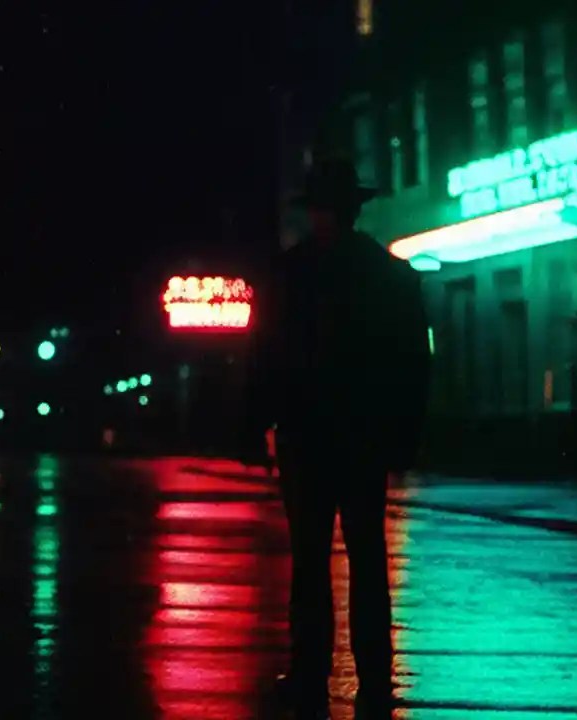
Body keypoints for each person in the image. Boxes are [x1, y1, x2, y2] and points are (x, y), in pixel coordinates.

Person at [243, 156, 431, 718]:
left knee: (310, 558)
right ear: (355, 209)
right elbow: (412, 363)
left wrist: (254, 425)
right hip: (364, 433)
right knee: (367, 558)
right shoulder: (388, 273)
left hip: (307, 434)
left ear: (318, 211)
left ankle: (309, 675)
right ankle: (374, 679)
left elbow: (265, 356)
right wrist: (405, 433)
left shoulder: (289, 274)